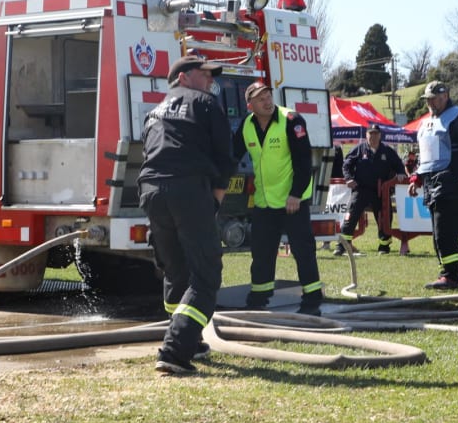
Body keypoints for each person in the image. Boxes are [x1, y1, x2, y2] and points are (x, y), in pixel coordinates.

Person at [139, 56, 236, 375]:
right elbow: (226, 156)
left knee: (175, 270)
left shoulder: (153, 111)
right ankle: (175, 351)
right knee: (206, 274)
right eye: (204, 74)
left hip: (152, 190)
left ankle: (188, 338)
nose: (211, 81)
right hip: (189, 189)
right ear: (183, 77)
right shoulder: (206, 103)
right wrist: (215, 199)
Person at [232, 81, 324, 315]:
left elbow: (304, 161)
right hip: (264, 201)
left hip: (292, 200)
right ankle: (259, 299)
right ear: (250, 105)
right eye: (261, 98)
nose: (267, 101)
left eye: (269, 95)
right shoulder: (246, 125)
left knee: (302, 250)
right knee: (261, 251)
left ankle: (312, 299)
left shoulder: (292, 121)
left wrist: (295, 194)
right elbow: (231, 156)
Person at [408, 81, 458, 290]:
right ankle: (447, 274)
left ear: (446, 96)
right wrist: (416, 178)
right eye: (429, 99)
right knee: (438, 235)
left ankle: (451, 275)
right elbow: (426, 156)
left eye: (436, 98)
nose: (432, 103)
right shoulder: (425, 124)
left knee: (445, 234)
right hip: (433, 185)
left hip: (455, 184)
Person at [337, 124, 407, 256]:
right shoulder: (359, 149)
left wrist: (401, 173)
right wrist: (349, 178)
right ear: (366, 135)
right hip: (361, 189)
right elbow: (347, 164)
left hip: (380, 190)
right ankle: (343, 245)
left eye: (375, 134)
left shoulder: (387, 150)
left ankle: (384, 245)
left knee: (384, 217)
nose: (373, 137)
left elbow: (399, 165)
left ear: (380, 135)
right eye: (371, 134)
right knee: (350, 215)